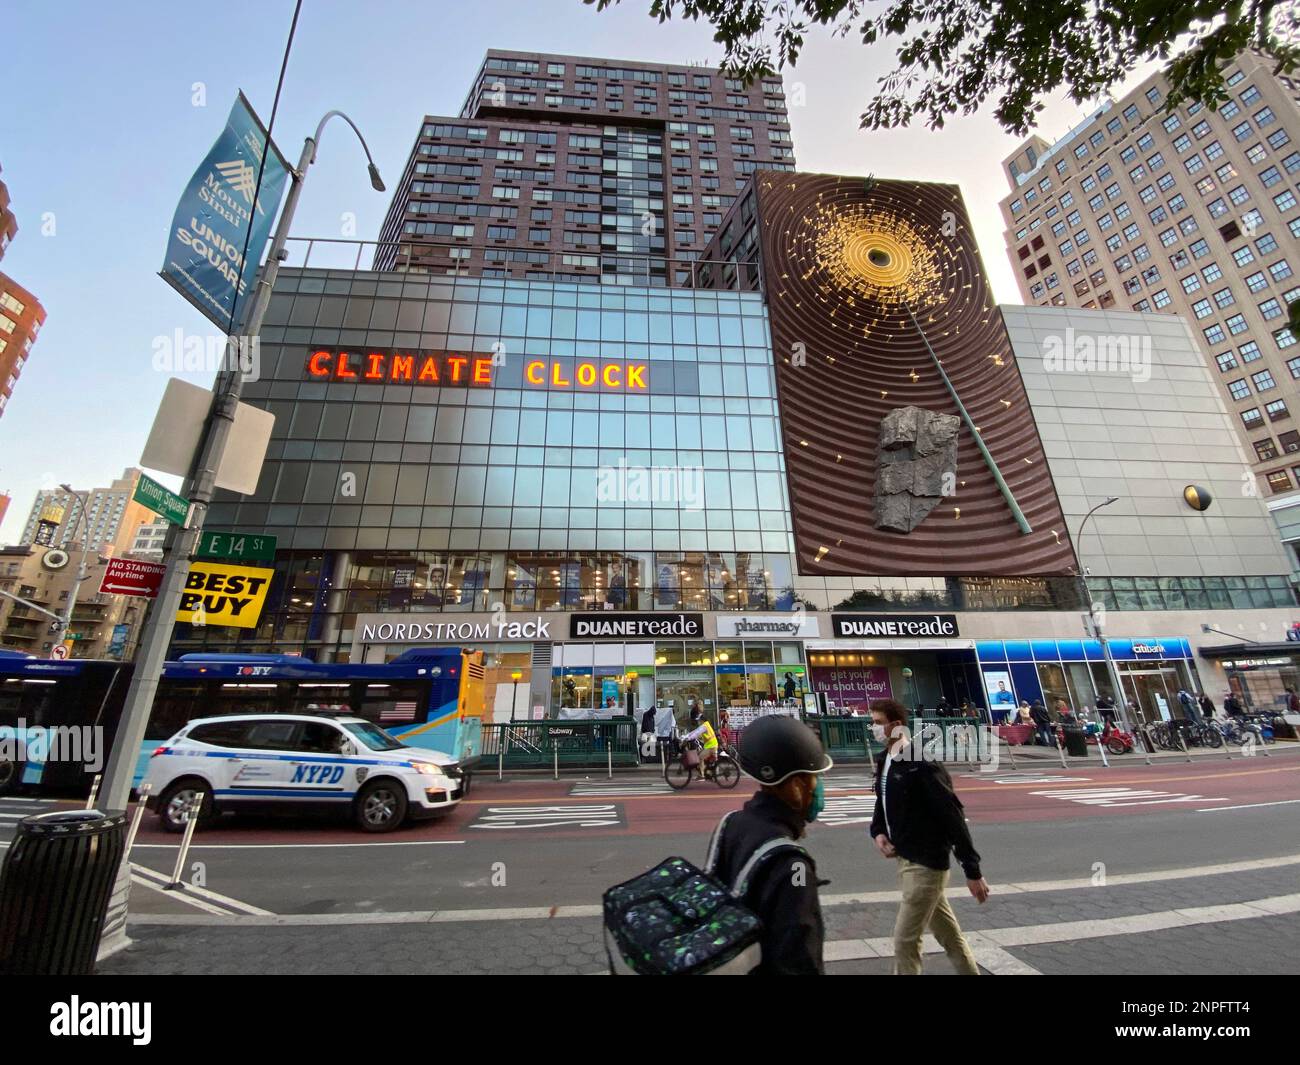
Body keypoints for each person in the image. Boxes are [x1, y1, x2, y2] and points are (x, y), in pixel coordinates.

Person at [868, 698, 988, 975]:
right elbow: (882, 800)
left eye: (878, 723)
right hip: (905, 859)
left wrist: (972, 870)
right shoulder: (887, 758)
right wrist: (878, 831)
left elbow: (952, 815)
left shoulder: (920, 762)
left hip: (925, 865)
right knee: (950, 937)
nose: (873, 728)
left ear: (896, 725)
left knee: (904, 942)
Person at [706, 715, 832, 974]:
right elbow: (800, 960)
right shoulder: (794, 866)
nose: (818, 787)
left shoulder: (731, 823)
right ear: (797, 786)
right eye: (815, 778)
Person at [681, 706, 719, 772]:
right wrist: (686, 736)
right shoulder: (706, 724)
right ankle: (707, 771)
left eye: (699, 721)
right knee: (700, 754)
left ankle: (702, 775)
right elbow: (695, 731)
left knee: (700, 758)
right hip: (710, 745)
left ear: (701, 720)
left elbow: (696, 733)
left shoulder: (704, 726)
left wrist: (688, 738)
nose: (698, 722)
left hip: (711, 746)